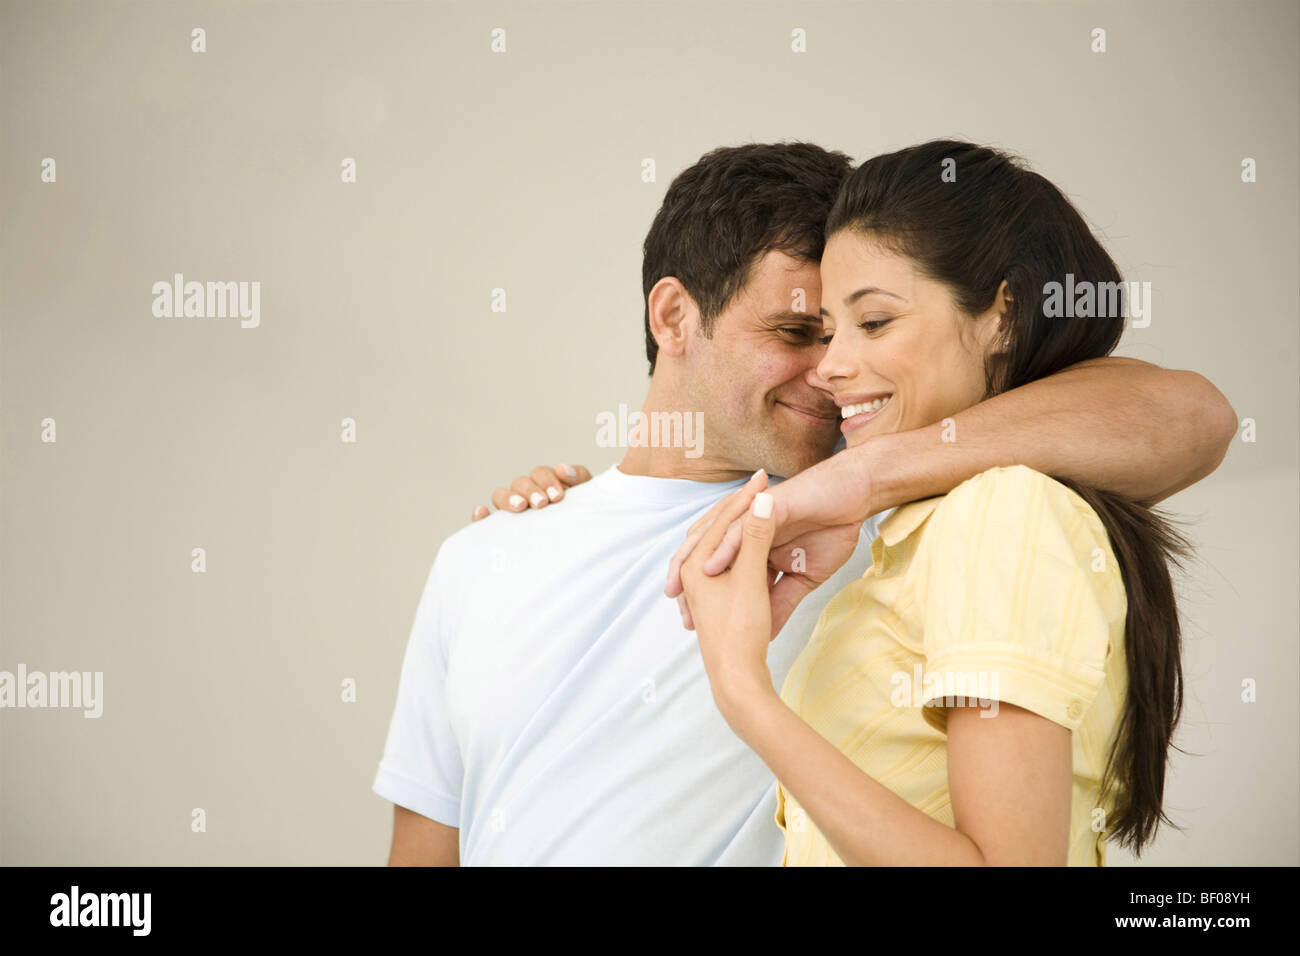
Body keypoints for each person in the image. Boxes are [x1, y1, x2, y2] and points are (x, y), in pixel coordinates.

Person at [378, 142, 1235, 866]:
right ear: (674, 316)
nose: (828, 372)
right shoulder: (484, 559)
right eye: (799, 332)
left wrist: (862, 480)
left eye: (859, 327)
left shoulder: (883, 522)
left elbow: (1193, 415)